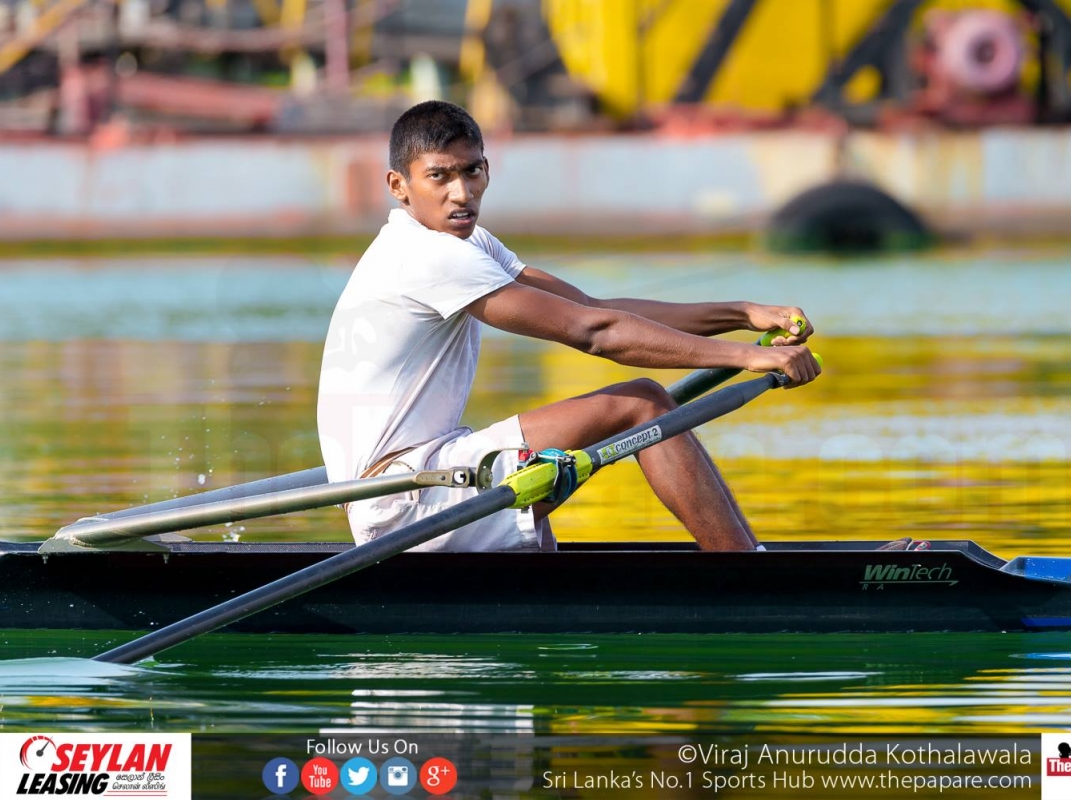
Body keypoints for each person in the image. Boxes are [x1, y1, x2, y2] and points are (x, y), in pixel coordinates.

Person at [316, 100, 820, 554]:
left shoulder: (470, 244)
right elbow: (594, 333)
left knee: (636, 411)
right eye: (439, 177)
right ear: (398, 186)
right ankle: (747, 572)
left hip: (431, 475)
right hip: (401, 502)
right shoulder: (427, 256)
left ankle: (741, 560)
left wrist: (740, 314)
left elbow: (590, 305)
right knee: (641, 403)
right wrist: (749, 356)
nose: (461, 193)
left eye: (472, 172)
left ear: (487, 169)